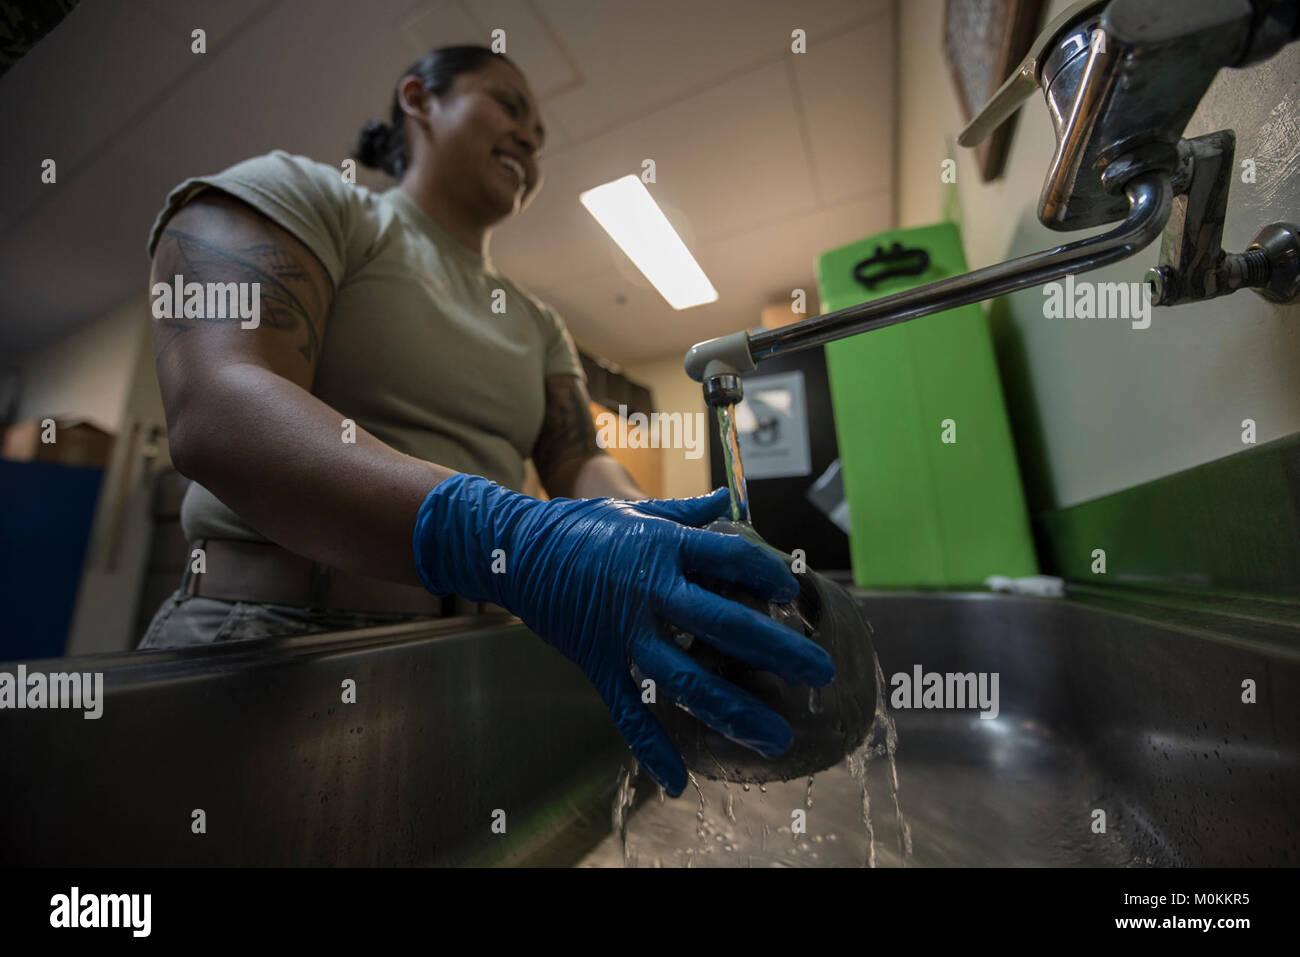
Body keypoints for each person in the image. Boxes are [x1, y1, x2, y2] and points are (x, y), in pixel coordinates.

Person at [136, 45, 832, 796]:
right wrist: (504, 533)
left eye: (541, 133)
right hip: (268, 637)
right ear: (419, 99)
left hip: (468, 646)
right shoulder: (308, 199)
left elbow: (579, 464)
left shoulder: (537, 322)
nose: (533, 139)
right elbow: (217, 403)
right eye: (508, 105)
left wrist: (652, 533)